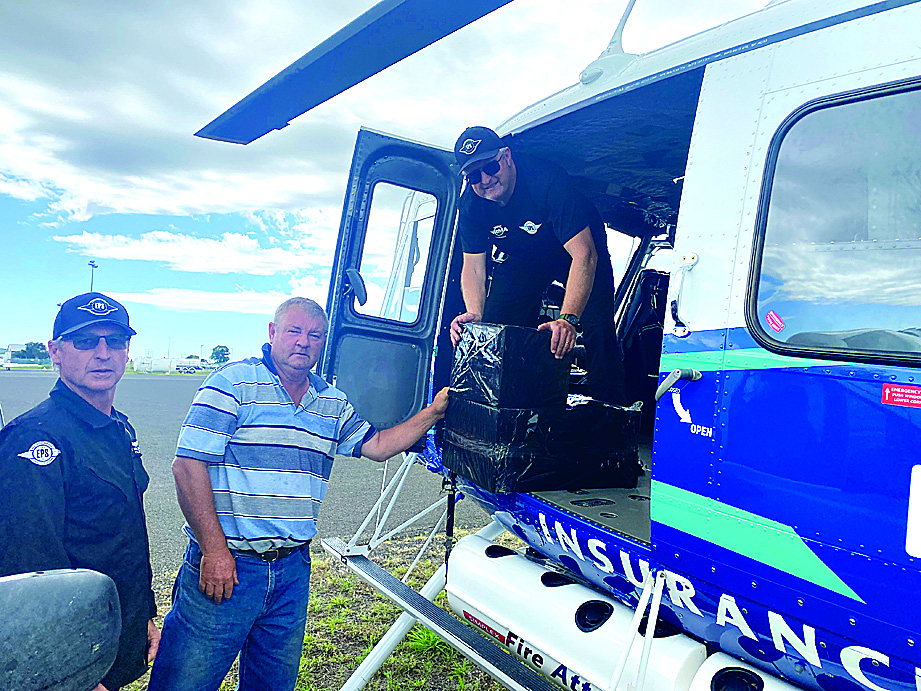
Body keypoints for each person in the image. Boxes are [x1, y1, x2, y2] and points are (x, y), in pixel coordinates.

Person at [149, 297, 448, 691]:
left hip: (291, 571)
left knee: (273, 684)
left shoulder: (331, 402)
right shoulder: (233, 383)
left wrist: (435, 411)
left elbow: (377, 446)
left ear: (324, 343)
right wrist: (215, 551)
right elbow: (187, 466)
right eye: (294, 331)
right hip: (229, 567)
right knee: (185, 682)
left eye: (314, 335)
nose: (303, 342)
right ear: (272, 333)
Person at [0, 292, 160, 691]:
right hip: (70, 657)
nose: (103, 353)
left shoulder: (119, 428)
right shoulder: (36, 438)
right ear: (55, 352)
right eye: (86, 341)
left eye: (115, 341)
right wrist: (70, 674)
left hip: (116, 628)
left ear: (127, 352)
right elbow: (28, 566)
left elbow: (126, 534)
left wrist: (145, 613)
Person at [449, 125, 627, 405]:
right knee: (494, 329)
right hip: (524, 258)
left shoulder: (546, 180)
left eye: (490, 167)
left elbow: (584, 255)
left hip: (574, 250)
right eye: (473, 175)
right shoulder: (471, 205)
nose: (484, 179)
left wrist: (568, 320)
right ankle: (513, 411)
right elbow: (473, 267)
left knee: (598, 327)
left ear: (506, 156)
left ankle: (612, 414)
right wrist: (474, 313)